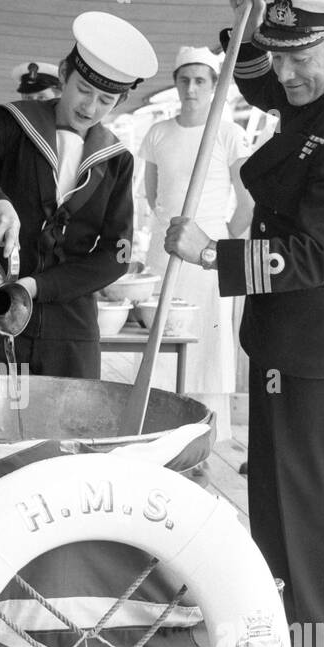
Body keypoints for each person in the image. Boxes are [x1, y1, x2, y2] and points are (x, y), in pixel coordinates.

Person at [166, 0, 324, 647]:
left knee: (321, 505)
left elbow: (314, 256)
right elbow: (265, 83)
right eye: (282, 55)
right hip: (282, 338)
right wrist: (241, 27)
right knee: (272, 494)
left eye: (303, 57)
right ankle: (279, 632)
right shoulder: (316, 94)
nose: (287, 73)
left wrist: (213, 254)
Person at [0, 12, 157, 378]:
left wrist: (40, 286)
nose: (90, 107)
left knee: (70, 431)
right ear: (64, 74)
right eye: (84, 91)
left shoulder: (117, 160)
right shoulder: (14, 123)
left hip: (71, 330)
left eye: (105, 100)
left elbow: (115, 256)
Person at [138, 45, 253, 441]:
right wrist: (171, 230)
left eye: (200, 80)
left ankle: (204, 436)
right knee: (163, 337)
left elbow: (248, 200)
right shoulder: (158, 133)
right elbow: (153, 195)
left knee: (206, 341)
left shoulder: (227, 132)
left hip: (209, 253)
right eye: (184, 80)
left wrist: (224, 244)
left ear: (214, 84)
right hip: (166, 248)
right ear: (175, 83)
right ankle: (158, 431)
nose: (191, 88)